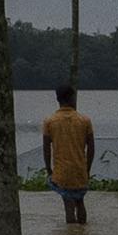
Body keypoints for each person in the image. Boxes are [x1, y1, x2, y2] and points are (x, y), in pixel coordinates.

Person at [44, 84, 97, 224]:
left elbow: (46, 149)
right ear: (72, 98)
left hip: (62, 171)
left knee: (68, 206)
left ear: (58, 99)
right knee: (80, 201)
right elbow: (91, 148)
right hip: (80, 169)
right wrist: (87, 169)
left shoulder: (50, 122)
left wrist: (49, 170)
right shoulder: (84, 121)